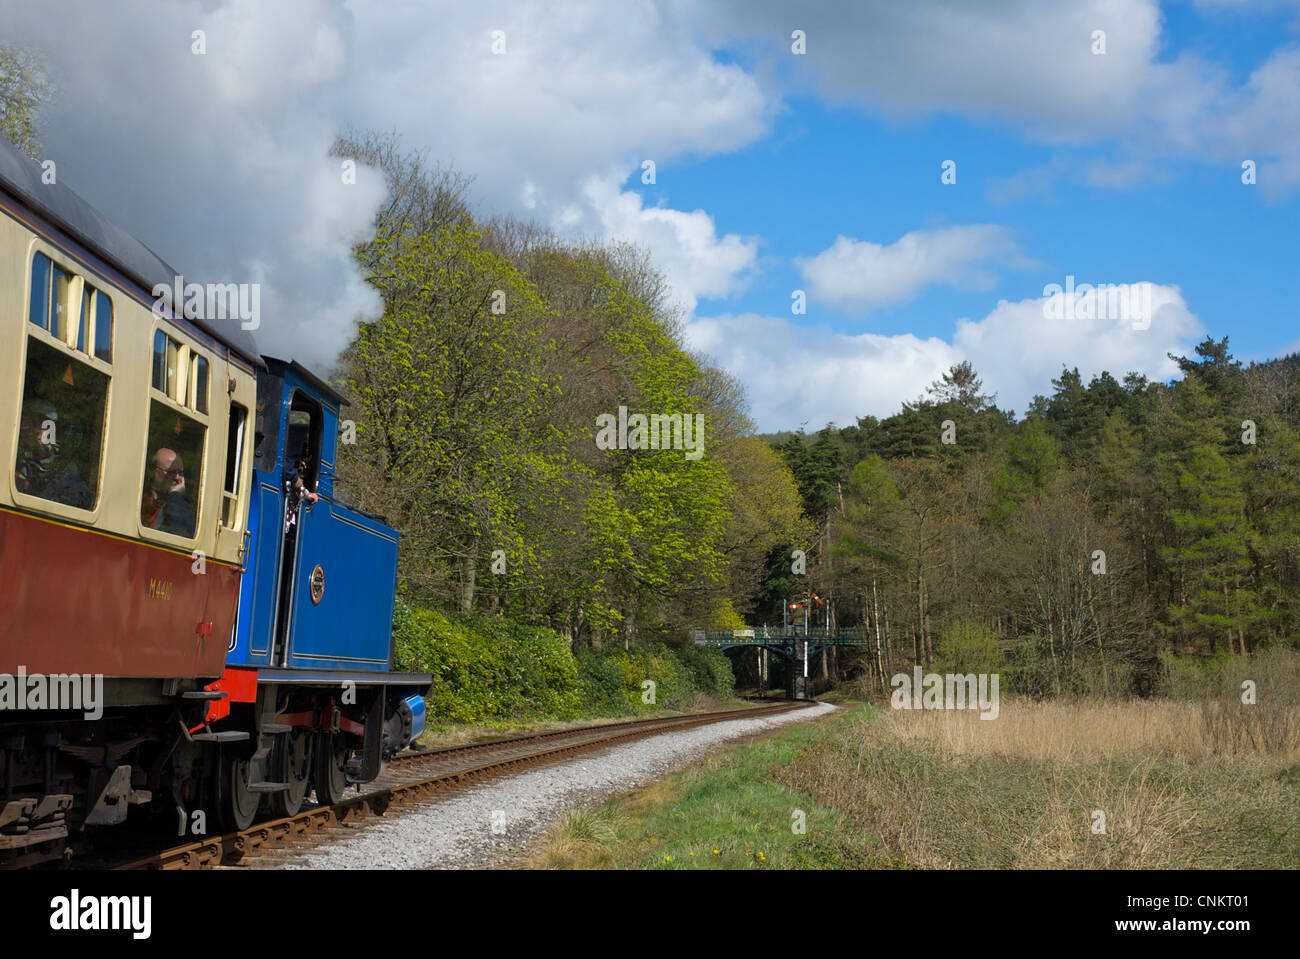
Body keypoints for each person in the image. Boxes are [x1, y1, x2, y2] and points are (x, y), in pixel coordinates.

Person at [141, 447, 195, 536]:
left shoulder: (181, 506)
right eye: (172, 472)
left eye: (180, 472)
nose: (177, 477)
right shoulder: (141, 498)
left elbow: (182, 534)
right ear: (153, 470)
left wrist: (175, 495)